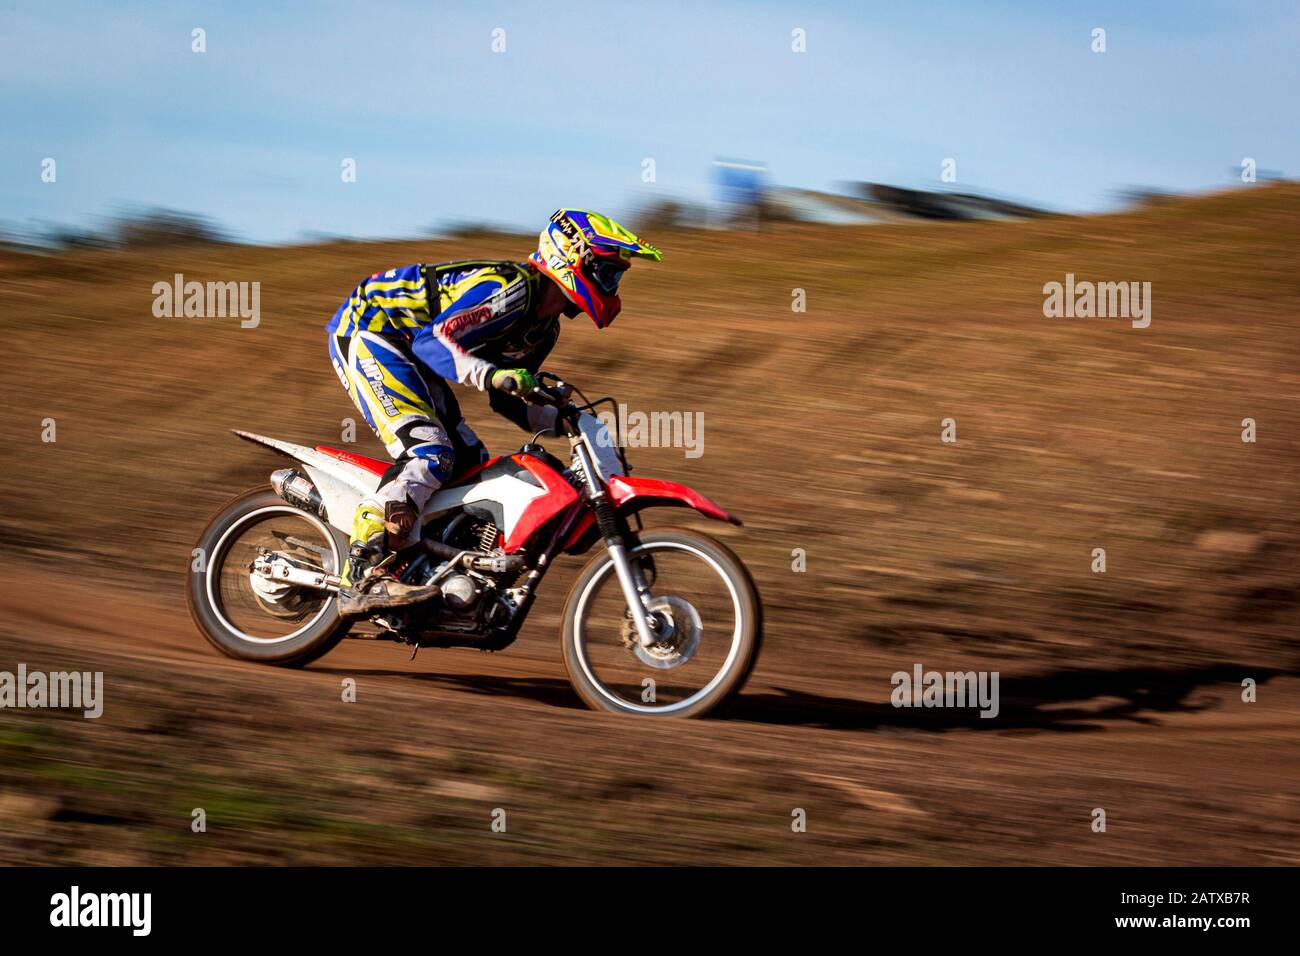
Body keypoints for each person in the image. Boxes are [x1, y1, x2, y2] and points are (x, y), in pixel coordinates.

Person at [324, 209, 662, 617]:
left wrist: (567, 421)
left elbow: (507, 399)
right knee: (429, 452)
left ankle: (417, 568)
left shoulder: (544, 329)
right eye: (606, 272)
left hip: (411, 353)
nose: (611, 285)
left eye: (615, 277)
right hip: (371, 331)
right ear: (571, 257)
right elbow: (434, 343)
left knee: (471, 465)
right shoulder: (510, 287)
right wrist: (495, 375)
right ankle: (359, 574)